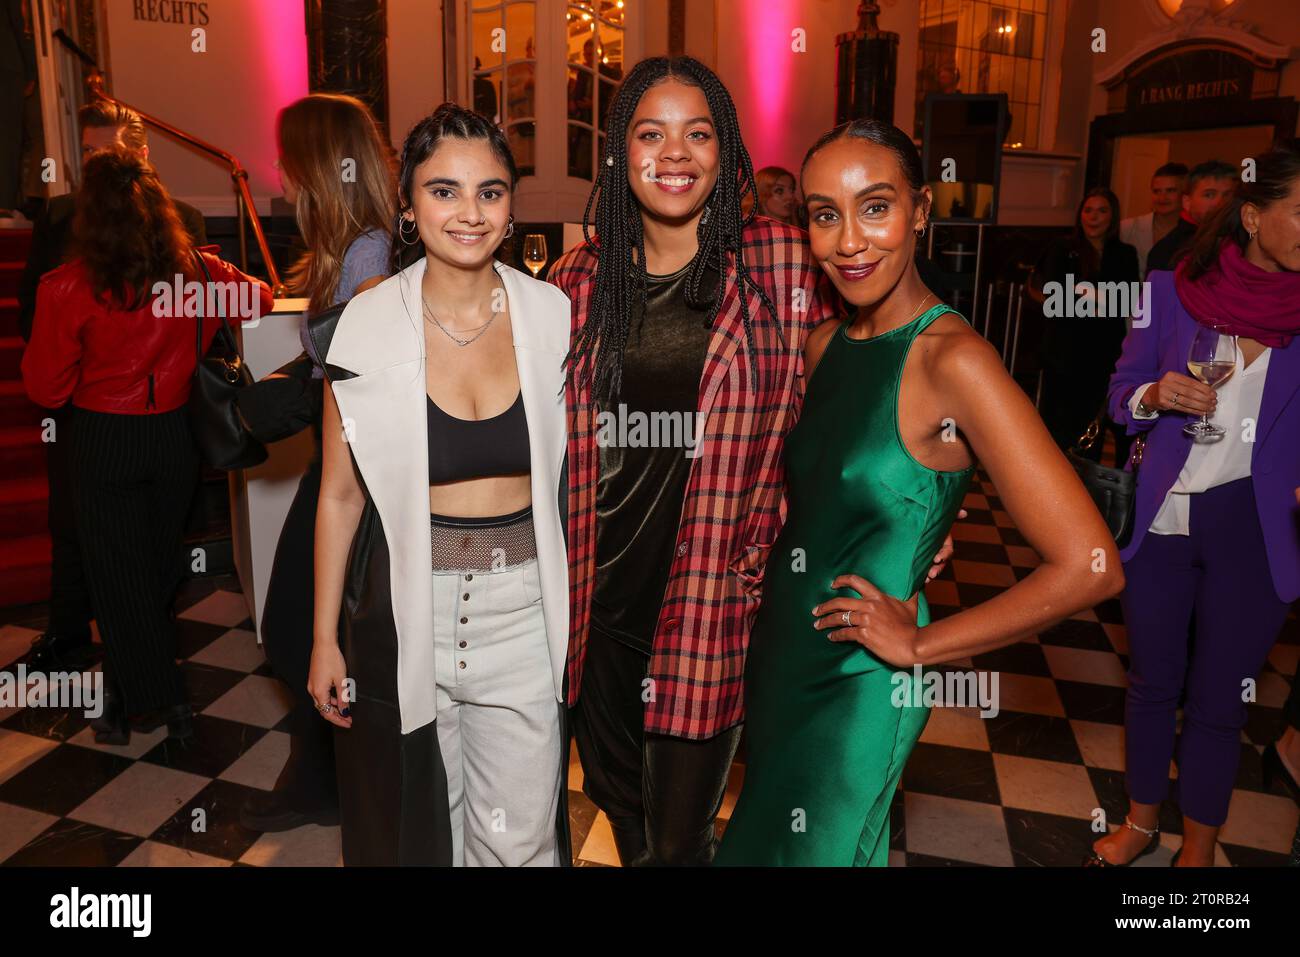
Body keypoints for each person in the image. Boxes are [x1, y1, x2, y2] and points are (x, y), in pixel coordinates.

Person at [550, 55, 956, 867]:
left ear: (726, 149)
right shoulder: (573, 284)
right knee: (623, 811)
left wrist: (916, 493)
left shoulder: (783, 263)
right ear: (619, 152)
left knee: (680, 841)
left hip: (712, 609)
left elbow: (883, 364)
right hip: (596, 609)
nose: (674, 153)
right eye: (650, 132)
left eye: (698, 133)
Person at [715, 119, 1125, 866]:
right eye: (824, 214)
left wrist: (922, 643)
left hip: (860, 684)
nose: (849, 241)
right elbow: (834, 493)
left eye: (875, 207)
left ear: (922, 210)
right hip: (780, 655)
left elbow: (1092, 563)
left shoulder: (955, 358)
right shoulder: (825, 344)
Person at [308, 103, 572, 866]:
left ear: (512, 205)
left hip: (522, 610)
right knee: (421, 835)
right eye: (444, 190)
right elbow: (338, 494)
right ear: (409, 205)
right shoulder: (365, 321)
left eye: (490, 192)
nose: (470, 212)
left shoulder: (552, 316)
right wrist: (325, 638)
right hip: (405, 610)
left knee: (518, 840)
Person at [1089, 146, 1300, 868]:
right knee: (1152, 681)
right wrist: (1154, 396)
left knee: (1220, 700)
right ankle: (1141, 823)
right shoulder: (1169, 290)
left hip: (1255, 527)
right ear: (1253, 214)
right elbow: (1121, 393)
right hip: (1166, 516)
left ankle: (1200, 848)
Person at [20, 145, 271, 743]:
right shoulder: (201, 274)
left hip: (105, 437)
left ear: (90, 215)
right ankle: (127, 691)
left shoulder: (69, 287)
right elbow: (262, 299)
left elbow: (46, 389)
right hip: (173, 441)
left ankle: (159, 701)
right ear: (161, 208)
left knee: (118, 574)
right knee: (155, 569)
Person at [232, 93, 394, 833]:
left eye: (291, 158)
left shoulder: (371, 251)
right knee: (299, 622)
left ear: (324, 165)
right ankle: (321, 773)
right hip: (338, 458)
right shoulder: (349, 246)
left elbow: (362, 356)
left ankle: (331, 778)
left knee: (303, 623)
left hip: (359, 471)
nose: (280, 171)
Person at [15, 99, 208, 674]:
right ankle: (69, 635)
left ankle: (148, 647)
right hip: (79, 405)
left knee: (154, 536)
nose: (98, 162)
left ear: (141, 157)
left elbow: (201, 318)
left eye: (111, 152)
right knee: (69, 524)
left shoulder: (186, 223)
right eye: (90, 151)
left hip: (159, 407)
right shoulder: (58, 217)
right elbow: (35, 310)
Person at [1028, 187, 1140, 461]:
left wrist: (1083, 295)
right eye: (1088, 210)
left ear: (1112, 216)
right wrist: (1104, 300)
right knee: (1058, 431)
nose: (1093, 216)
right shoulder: (1063, 249)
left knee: (1093, 433)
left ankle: (1087, 498)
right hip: (1064, 355)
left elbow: (1127, 301)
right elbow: (1058, 301)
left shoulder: (1124, 253)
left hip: (1104, 357)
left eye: (1102, 210)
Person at [1145, 160, 1235, 275]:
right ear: (1187, 202)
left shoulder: (1243, 239)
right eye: (1209, 195)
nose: (1220, 202)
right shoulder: (1168, 250)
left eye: (1227, 195)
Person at [1119, 162, 1187, 276]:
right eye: (1156, 191)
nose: (1162, 198)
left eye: (1170, 191)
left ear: (1185, 194)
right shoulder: (1127, 228)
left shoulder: (1194, 233)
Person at [0, 0, 35, 219]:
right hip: (6, 64)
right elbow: (19, 23)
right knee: (7, 137)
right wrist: (31, 67)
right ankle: (3, 202)